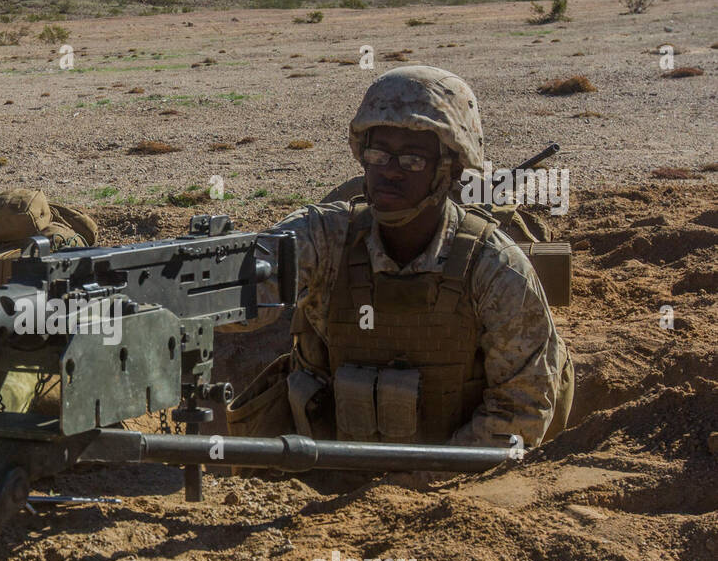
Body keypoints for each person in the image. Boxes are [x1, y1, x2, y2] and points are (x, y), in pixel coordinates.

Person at [226, 65, 574, 449]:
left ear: (451, 166)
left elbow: (521, 411)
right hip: (328, 467)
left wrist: (421, 484)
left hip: (451, 488)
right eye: (377, 155)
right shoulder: (324, 237)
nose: (389, 172)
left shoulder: (495, 269)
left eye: (411, 160)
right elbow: (244, 290)